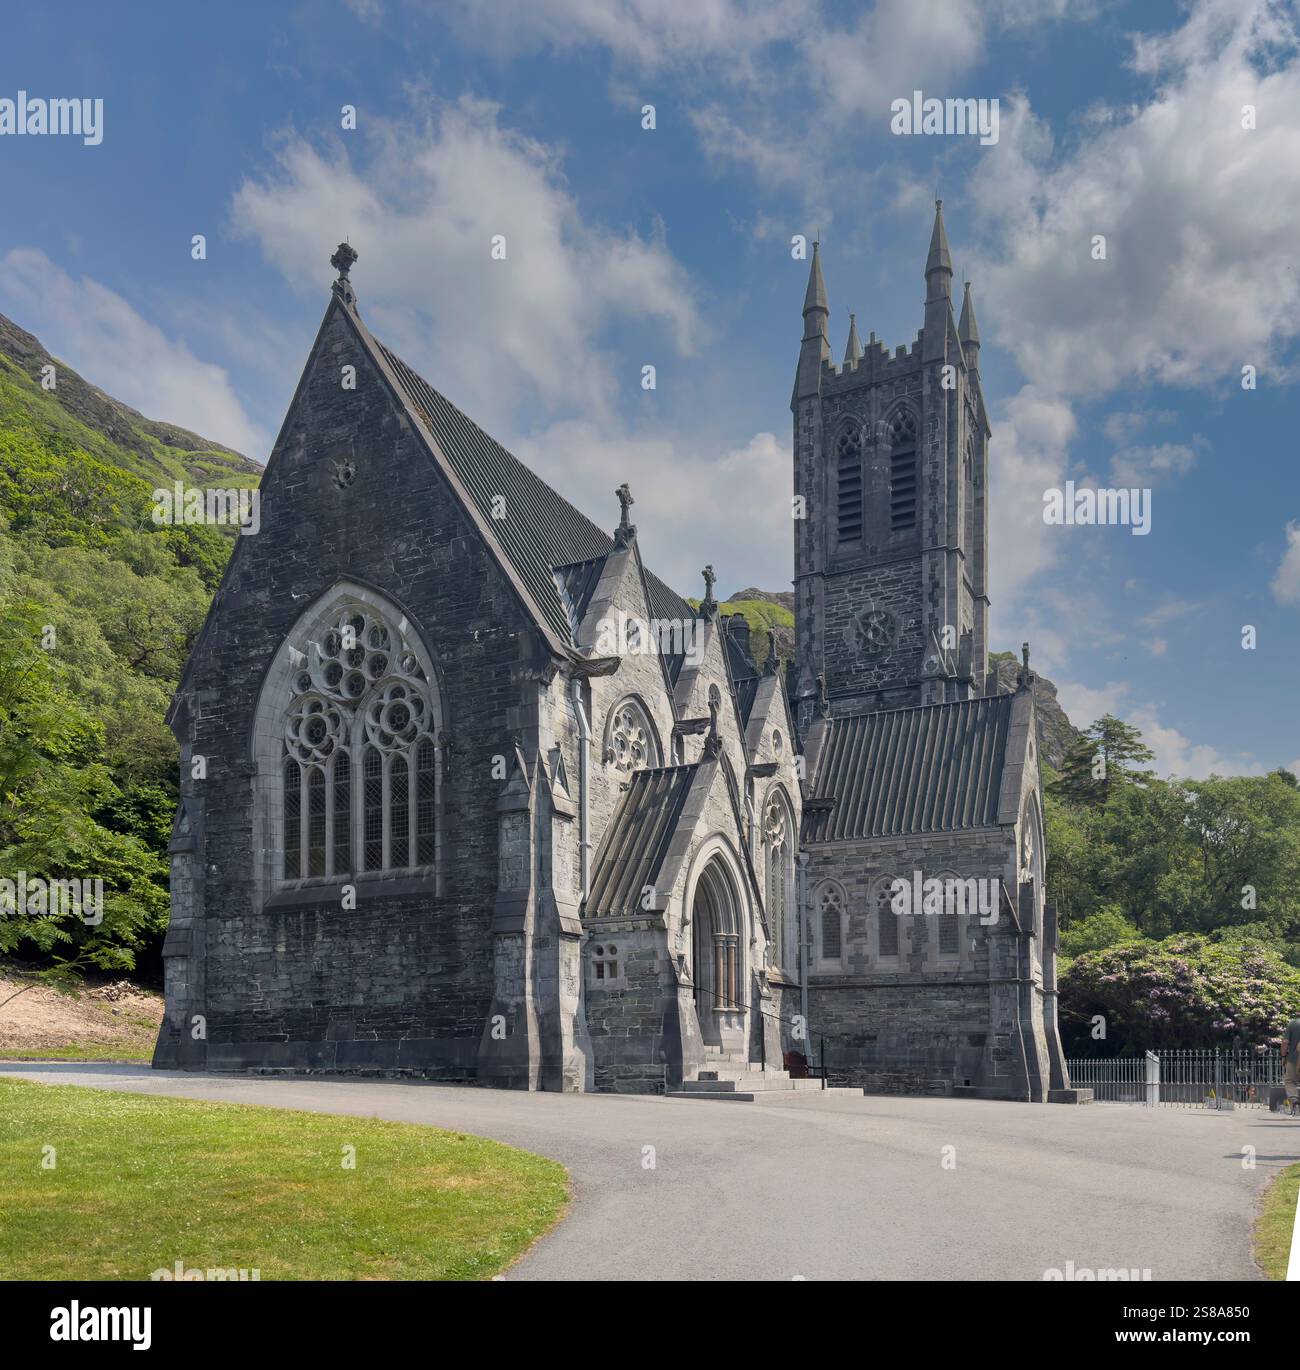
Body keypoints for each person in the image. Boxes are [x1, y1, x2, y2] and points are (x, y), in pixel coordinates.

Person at [1284, 1015, 1300, 1112]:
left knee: (1290, 1081)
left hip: (1294, 1059)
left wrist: (1283, 1056)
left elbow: (1285, 1042)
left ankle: (1294, 1100)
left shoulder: (1293, 1023)